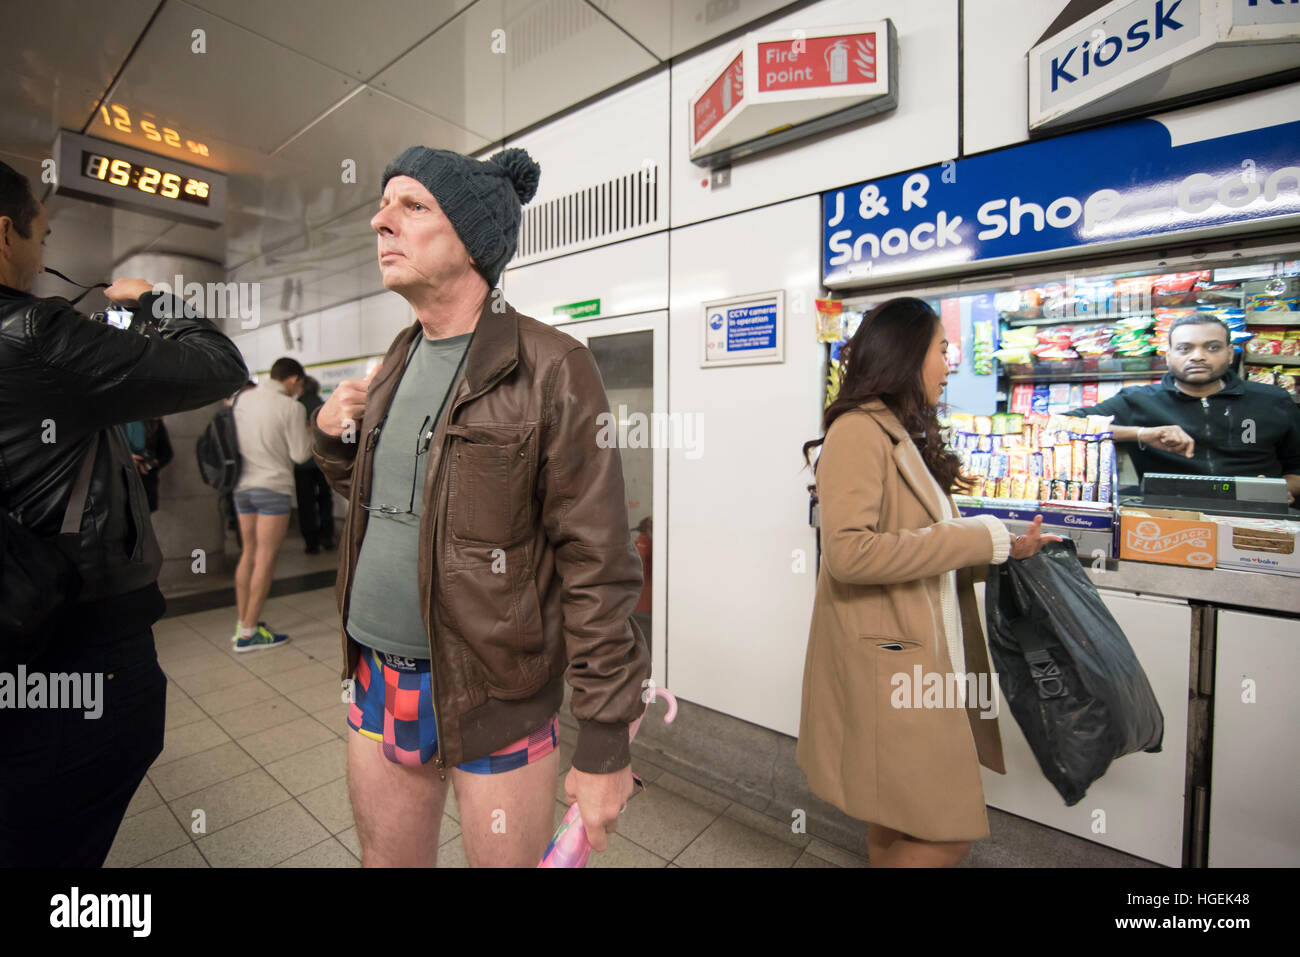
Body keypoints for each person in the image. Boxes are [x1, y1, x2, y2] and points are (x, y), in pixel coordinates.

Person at [311, 145, 648, 867]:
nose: (380, 220)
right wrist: (336, 445)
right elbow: (409, 511)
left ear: (471, 241)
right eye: (383, 203)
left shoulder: (553, 366)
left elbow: (597, 559)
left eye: (412, 205)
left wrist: (605, 735)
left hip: (495, 689)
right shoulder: (400, 357)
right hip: (378, 674)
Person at [0, 159, 248, 866]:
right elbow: (218, 362)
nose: (43, 257)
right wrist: (151, 303)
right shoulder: (34, 331)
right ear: (4, 235)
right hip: (68, 639)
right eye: (39, 235)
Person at [796, 297, 1057, 868]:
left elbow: (913, 540)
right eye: (942, 348)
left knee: (896, 818)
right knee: (943, 830)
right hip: (890, 664)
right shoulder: (858, 431)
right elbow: (849, 553)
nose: (950, 361)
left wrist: (1006, 547)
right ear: (907, 353)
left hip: (911, 658)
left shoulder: (897, 431)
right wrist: (977, 536)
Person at [1071, 314, 1300, 502]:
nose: (1198, 356)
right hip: (1168, 523)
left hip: (1258, 521)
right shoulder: (1137, 400)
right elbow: (1058, 425)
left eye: (1212, 348)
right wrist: (1140, 433)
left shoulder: (1272, 400)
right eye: (1184, 349)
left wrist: (1279, 489)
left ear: (1230, 354)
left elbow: (1296, 467)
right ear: (1168, 356)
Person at [230, 357, 313, 651]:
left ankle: (243, 623)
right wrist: (311, 430)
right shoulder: (292, 407)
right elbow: (301, 454)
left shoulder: (244, 398)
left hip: (241, 486)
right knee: (266, 557)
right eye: (299, 385)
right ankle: (250, 633)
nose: (298, 390)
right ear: (293, 380)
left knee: (248, 552)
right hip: (273, 487)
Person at [293, 376, 335, 553]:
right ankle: (327, 537)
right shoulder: (323, 404)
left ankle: (311, 543)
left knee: (306, 503)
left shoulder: (297, 406)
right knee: (325, 499)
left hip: (302, 464)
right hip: (323, 460)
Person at [124, 418, 173, 512]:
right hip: (121, 487)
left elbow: (166, 454)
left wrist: (148, 465)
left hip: (145, 485)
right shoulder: (116, 422)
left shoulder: (154, 421)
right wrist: (126, 458)